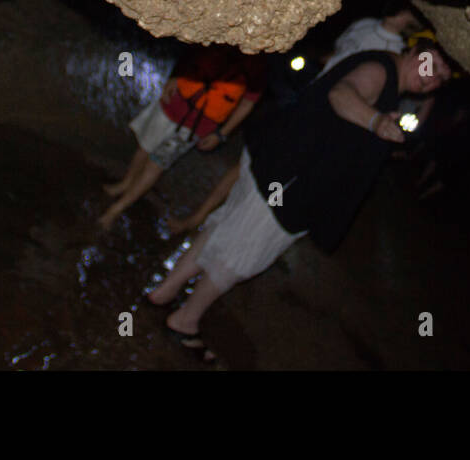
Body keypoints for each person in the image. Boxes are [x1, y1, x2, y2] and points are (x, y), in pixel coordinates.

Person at [148, 40, 452, 358]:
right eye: (432, 65)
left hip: (274, 164)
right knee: (239, 255)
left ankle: (164, 291)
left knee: (225, 227)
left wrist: (373, 121)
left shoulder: (386, 70)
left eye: (440, 78)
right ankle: (185, 321)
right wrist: (376, 123)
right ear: (416, 52)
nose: (432, 78)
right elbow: (342, 95)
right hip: (286, 188)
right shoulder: (379, 71)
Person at [167, 2, 426, 234]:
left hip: (324, 118)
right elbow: (338, 52)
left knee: (272, 174)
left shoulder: (394, 53)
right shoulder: (365, 25)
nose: (400, 4)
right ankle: (201, 217)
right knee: (253, 156)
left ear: (410, 18)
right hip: (310, 94)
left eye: (408, 7)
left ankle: (222, 229)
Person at [100, 45, 265, 231]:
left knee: (155, 165)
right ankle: (125, 183)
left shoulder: (257, 68)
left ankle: (116, 209)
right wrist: (175, 76)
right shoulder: (219, 37)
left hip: (195, 126)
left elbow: (246, 104)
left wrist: (221, 134)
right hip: (174, 103)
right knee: (145, 147)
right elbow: (191, 54)